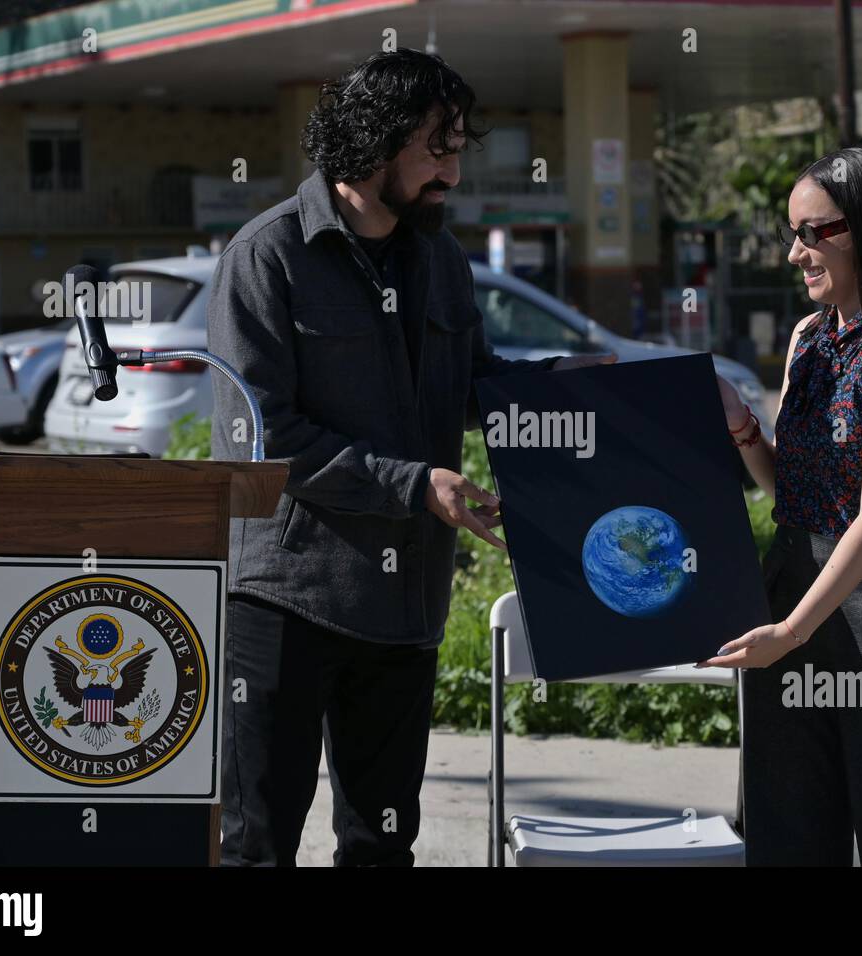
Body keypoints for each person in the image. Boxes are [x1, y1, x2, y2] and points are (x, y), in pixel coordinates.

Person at [206, 49, 613, 866]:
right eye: (438, 149)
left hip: (403, 603)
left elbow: (475, 386)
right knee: (256, 843)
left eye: (458, 149)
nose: (454, 174)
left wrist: (582, 389)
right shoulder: (267, 256)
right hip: (286, 600)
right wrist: (413, 483)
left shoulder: (441, 258)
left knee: (382, 844)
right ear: (373, 143)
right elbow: (266, 438)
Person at [702, 146, 862, 866]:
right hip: (795, 594)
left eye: (813, 232)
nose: (796, 253)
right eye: (793, 232)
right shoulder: (808, 340)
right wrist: (743, 425)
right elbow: (794, 489)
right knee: (788, 840)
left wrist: (786, 631)